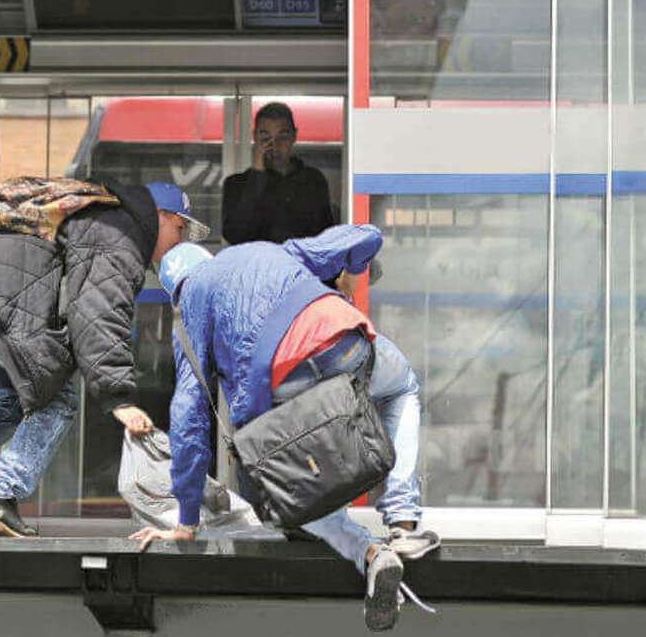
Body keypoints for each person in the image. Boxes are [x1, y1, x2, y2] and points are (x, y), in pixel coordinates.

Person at [129, 227, 438, 632]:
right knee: (400, 388)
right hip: (339, 342)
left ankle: (371, 554)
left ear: (174, 291)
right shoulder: (264, 249)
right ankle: (402, 523)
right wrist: (359, 267)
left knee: (294, 493)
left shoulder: (189, 310)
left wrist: (187, 520)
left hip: (283, 388)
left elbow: (189, 416)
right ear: (207, 259)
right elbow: (364, 237)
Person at [0, 180, 207, 537]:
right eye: (180, 228)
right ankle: (1, 494)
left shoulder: (98, 214)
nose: (181, 240)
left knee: (7, 400)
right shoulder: (123, 233)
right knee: (56, 401)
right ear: (161, 216)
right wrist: (117, 397)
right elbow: (98, 311)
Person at [221, 102, 337, 245]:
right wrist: (257, 174)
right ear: (255, 137)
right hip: (256, 266)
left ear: (294, 136)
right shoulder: (236, 184)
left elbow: (327, 235)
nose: (274, 146)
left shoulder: (312, 181)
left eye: (283, 137)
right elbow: (234, 235)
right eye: (265, 139)